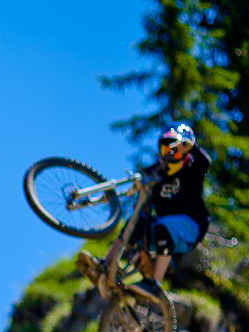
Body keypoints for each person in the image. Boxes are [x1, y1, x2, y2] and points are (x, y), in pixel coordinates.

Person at [78, 123, 211, 300]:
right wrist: (94, 200)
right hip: (164, 228)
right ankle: (104, 266)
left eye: (176, 150)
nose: (171, 154)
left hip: (191, 227)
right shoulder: (154, 174)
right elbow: (134, 195)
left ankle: (154, 285)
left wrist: (190, 146)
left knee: (164, 226)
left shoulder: (192, 168)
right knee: (135, 223)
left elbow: (205, 162)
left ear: (185, 151)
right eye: (165, 149)